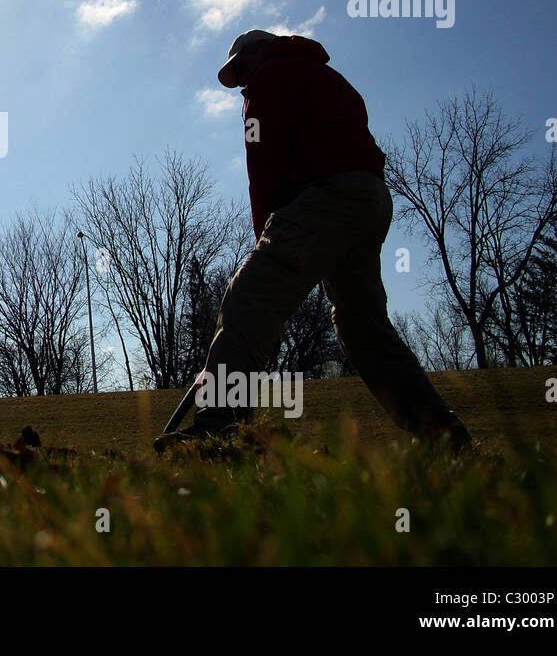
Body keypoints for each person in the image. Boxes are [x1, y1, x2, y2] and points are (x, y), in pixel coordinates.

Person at [154, 30, 470, 451]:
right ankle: (443, 435)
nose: (241, 82)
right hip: (370, 198)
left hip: (327, 195)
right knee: (363, 326)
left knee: (251, 296)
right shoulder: (330, 78)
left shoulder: (268, 79)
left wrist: (266, 236)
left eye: (240, 69)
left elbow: (262, 166)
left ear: (257, 54)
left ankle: (219, 429)